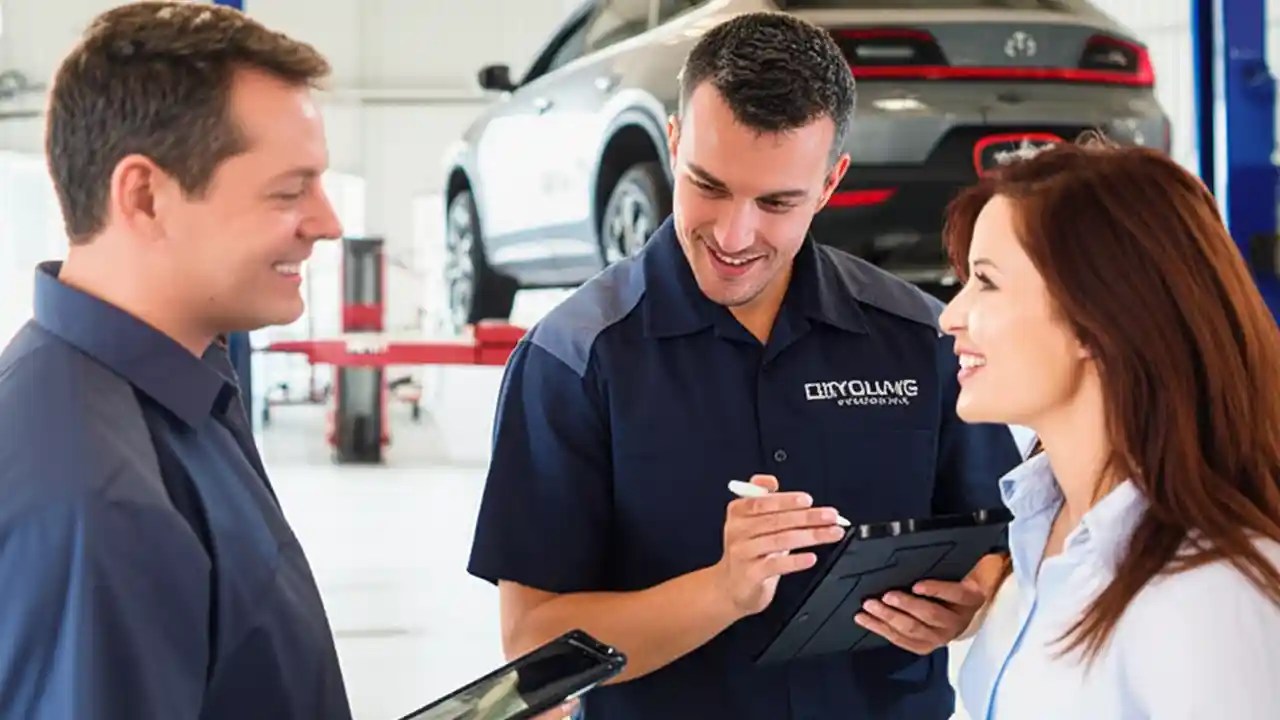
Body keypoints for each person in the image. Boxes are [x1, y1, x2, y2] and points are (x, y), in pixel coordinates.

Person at [467, 12, 1024, 719]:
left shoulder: (920, 340)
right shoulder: (571, 359)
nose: (734, 234)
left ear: (830, 184)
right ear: (673, 146)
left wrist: (969, 603)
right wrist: (722, 591)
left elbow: (997, 548)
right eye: (709, 186)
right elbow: (533, 645)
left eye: (776, 202)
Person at [939, 138, 1280, 719]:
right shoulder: (1042, 530)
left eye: (986, 282)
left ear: (1096, 319)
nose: (949, 316)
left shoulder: (1212, 595)